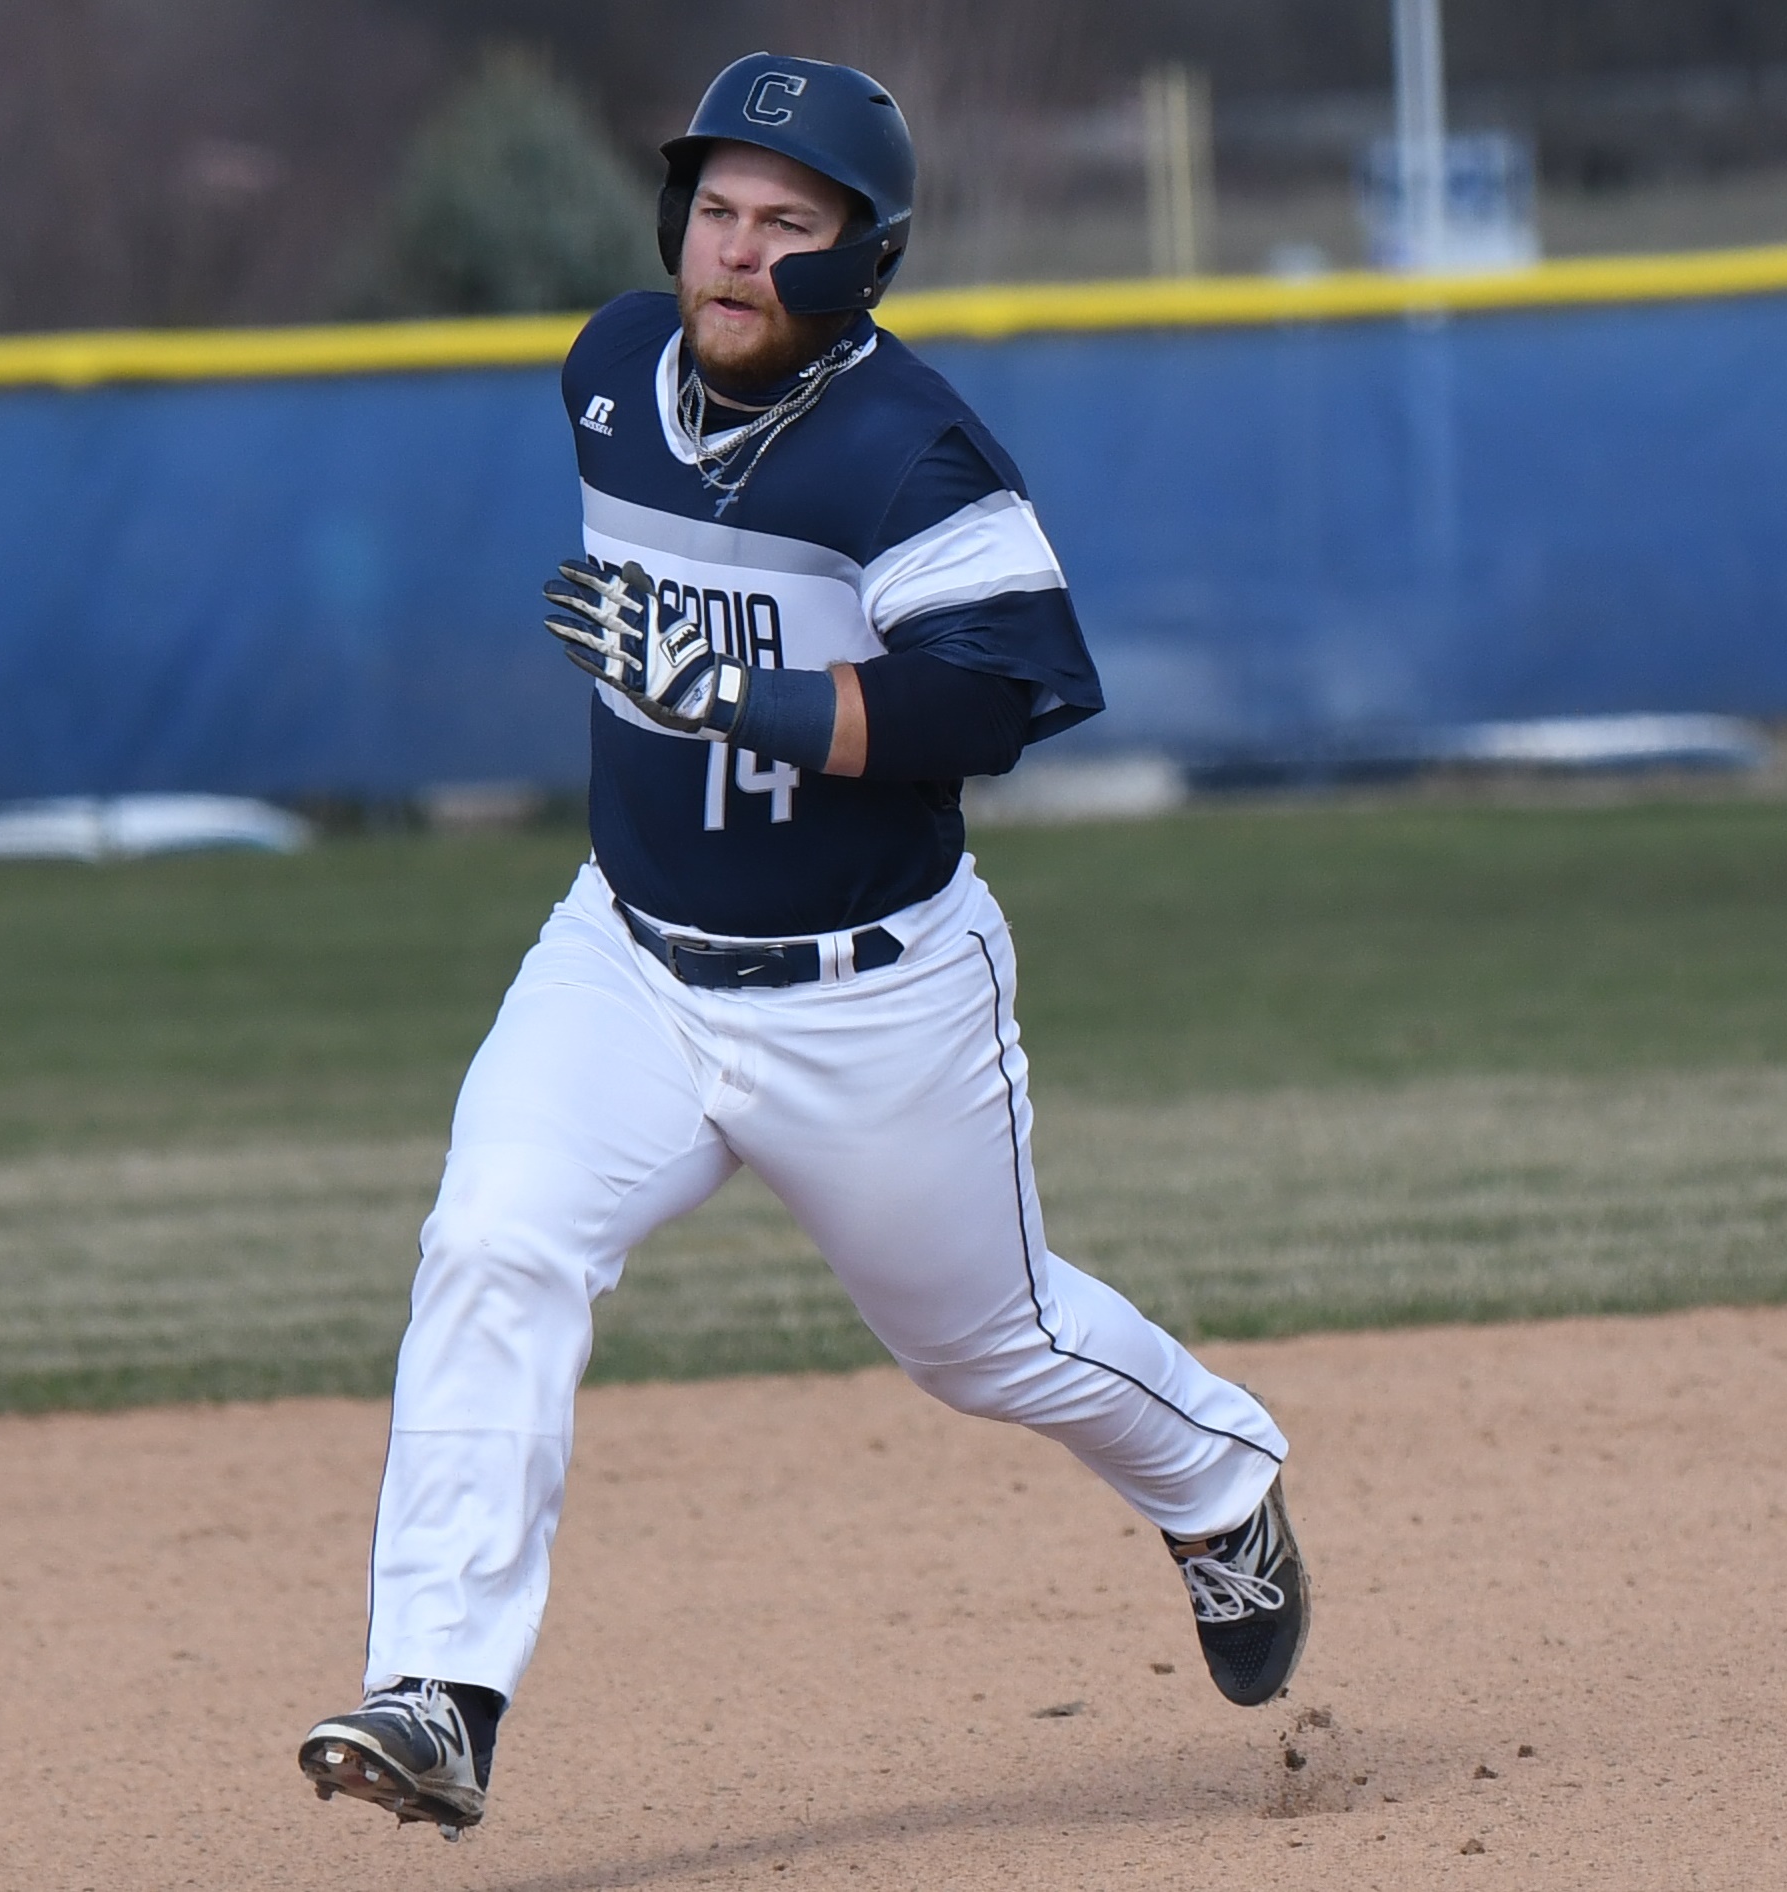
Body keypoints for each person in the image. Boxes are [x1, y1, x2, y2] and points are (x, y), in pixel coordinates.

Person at [299, 53, 1307, 1841]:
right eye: (715, 209)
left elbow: (998, 699)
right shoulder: (612, 372)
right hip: (627, 958)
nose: (734, 252)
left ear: (859, 258)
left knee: (987, 1345)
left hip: (876, 998)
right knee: (492, 1242)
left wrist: (747, 694)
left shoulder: (904, 450)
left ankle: (1220, 1486)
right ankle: (438, 1690)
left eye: (787, 223)